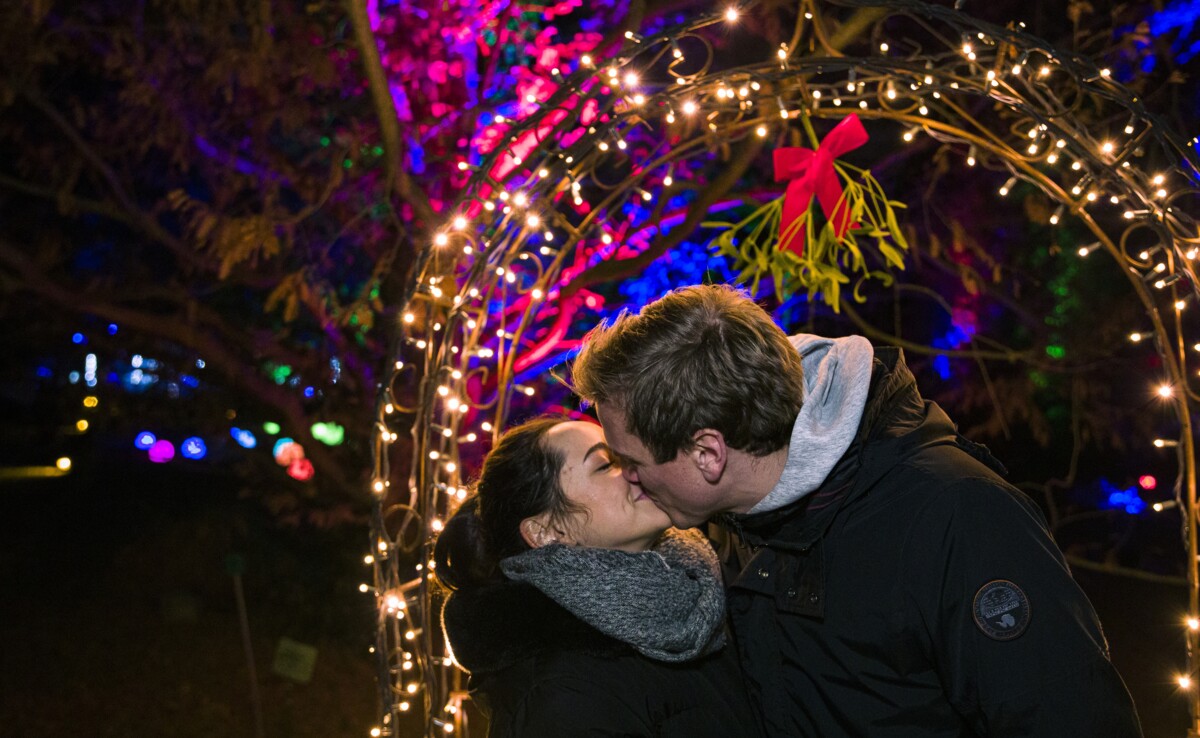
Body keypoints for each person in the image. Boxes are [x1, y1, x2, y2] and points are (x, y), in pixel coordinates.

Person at [571, 283, 1143, 737]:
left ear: (708, 453)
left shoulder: (956, 515)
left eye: (632, 459)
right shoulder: (742, 519)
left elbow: (1069, 716)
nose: (629, 479)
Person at [433, 415, 764, 738]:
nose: (635, 469)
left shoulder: (709, 577)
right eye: (606, 465)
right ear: (548, 531)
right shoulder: (559, 698)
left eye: (627, 453)